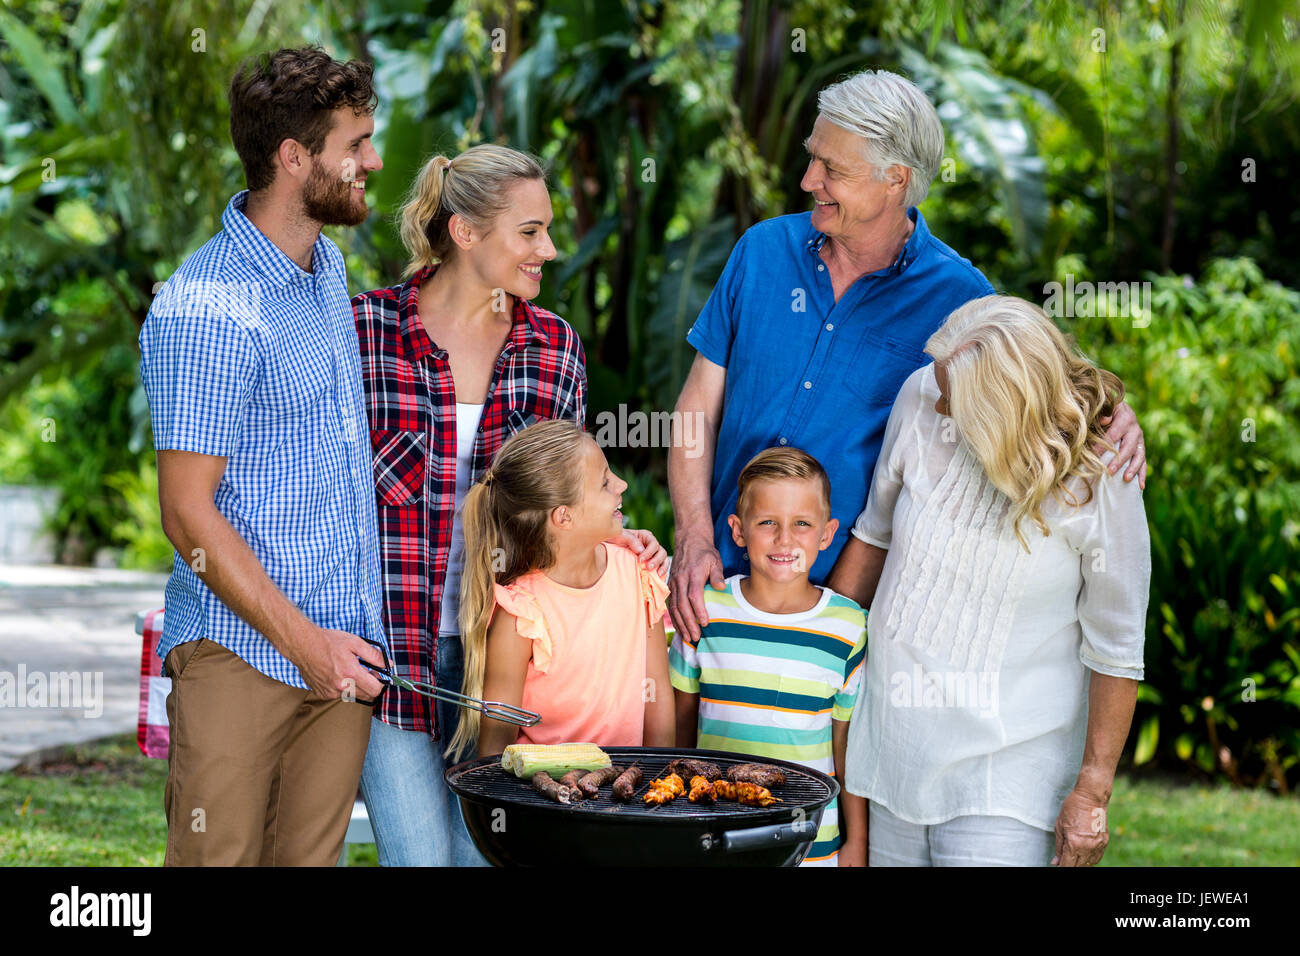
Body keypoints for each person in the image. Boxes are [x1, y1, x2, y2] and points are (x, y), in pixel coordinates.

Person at [666, 68, 1148, 644]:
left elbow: (1037, 393)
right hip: (714, 591)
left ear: (896, 180)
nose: (807, 179)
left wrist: (1110, 417)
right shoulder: (762, 251)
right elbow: (697, 408)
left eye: (831, 169)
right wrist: (693, 535)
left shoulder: (960, 298)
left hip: (844, 621)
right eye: (812, 157)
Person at [352, 149, 666, 865]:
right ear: (465, 232)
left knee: (485, 860)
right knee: (421, 861)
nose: (549, 250)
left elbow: (572, 498)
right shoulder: (365, 333)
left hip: (512, 660)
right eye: (529, 232)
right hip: (393, 656)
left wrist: (627, 542)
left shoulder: (555, 349)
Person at [139, 47, 387, 866]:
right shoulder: (206, 306)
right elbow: (186, 512)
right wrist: (303, 644)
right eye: (355, 144)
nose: (372, 161)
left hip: (340, 654)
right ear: (293, 158)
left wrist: (334, 646)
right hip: (243, 655)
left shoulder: (325, 270)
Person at [829, 295, 1150, 867]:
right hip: (890, 753)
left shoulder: (1105, 472)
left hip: (1008, 774)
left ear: (1005, 405)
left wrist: (1093, 792)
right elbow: (874, 537)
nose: (939, 404)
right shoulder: (923, 395)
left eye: (956, 399)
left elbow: (1117, 651)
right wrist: (812, 655)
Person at [669, 448, 866, 866]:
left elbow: (847, 745)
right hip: (714, 836)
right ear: (738, 531)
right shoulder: (706, 610)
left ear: (827, 534)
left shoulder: (848, 627)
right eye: (767, 523)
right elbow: (680, 728)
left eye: (802, 524)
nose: (784, 539)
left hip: (812, 843)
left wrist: (857, 842)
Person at [450, 419, 676, 758]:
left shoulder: (639, 573)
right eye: (604, 483)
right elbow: (495, 747)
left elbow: (656, 696)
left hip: (625, 797)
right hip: (541, 803)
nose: (623, 484)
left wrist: (661, 784)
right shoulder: (522, 613)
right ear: (564, 517)